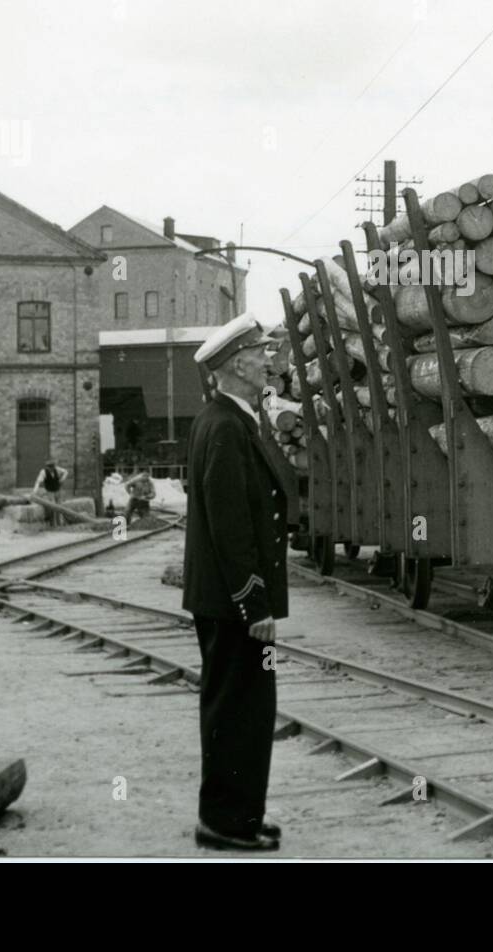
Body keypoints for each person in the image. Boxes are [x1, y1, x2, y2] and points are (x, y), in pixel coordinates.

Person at [182, 313, 287, 852]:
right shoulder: (225, 426)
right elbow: (231, 527)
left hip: (230, 601)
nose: (270, 359)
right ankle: (223, 821)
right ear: (237, 364)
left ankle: (241, 814)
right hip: (233, 603)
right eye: (262, 352)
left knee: (248, 707)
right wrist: (255, 603)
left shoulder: (231, 418)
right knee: (235, 708)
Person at [32, 456, 68, 526]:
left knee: (60, 507)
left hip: (58, 490)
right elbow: (38, 481)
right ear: (47, 467)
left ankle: (60, 524)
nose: (51, 468)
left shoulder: (57, 469)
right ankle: (53, 524)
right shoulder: (43, 472)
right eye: (50, 467)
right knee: (53, 507)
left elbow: (66, 472)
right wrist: (34, 491)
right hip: (50, 491)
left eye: (53, 466)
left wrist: (62, 479)